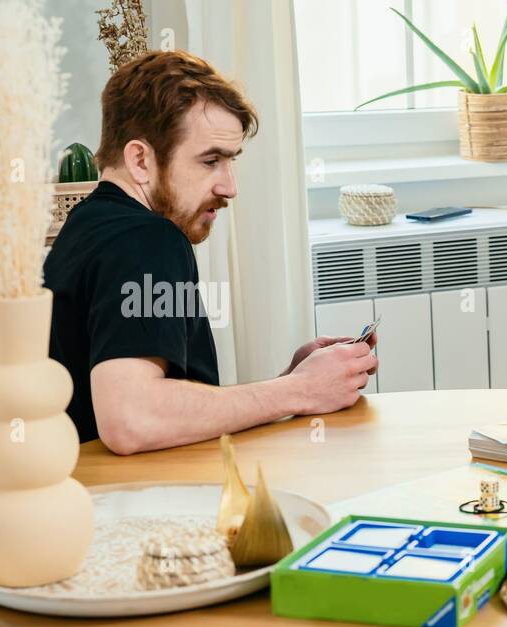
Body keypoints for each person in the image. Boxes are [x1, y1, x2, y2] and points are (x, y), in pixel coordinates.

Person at [45, 50, 376, 455]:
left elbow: (155, 409)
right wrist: (299, 391)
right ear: (140, 160)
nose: (229, 187)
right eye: (210, 161)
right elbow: (130, 419)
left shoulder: (88, 223)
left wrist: (287, 382)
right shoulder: (148, 239)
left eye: (230, 161)